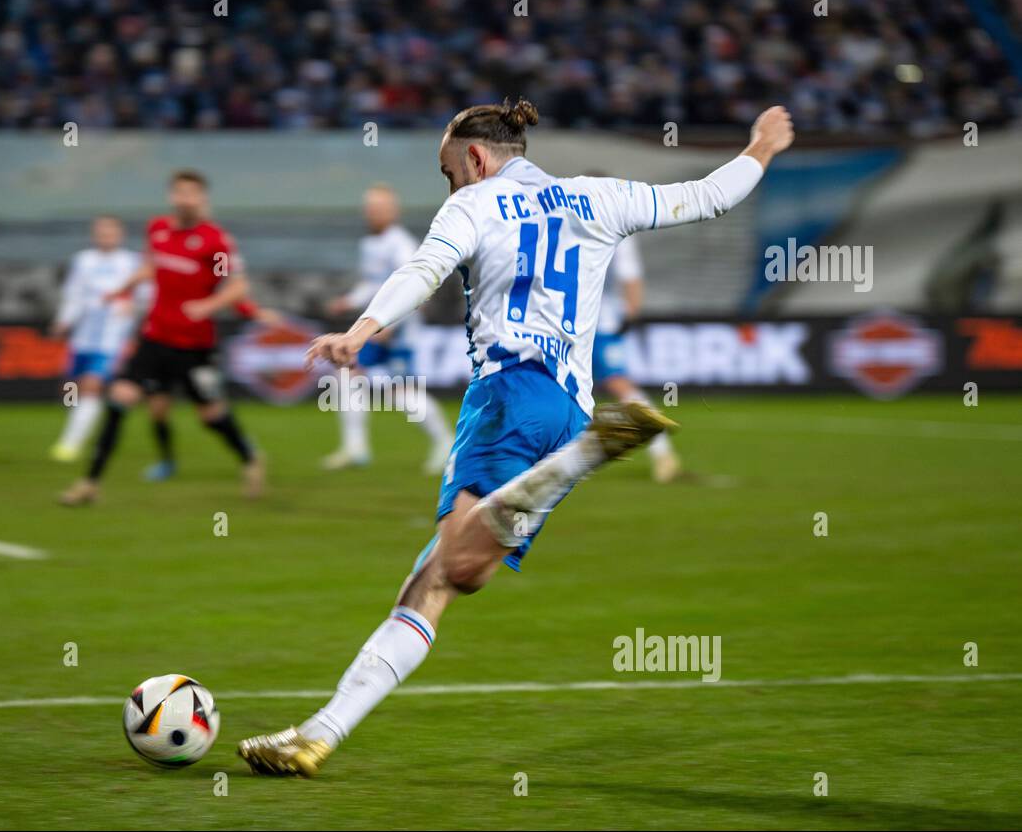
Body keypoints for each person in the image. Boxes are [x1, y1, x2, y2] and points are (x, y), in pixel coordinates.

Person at [238, 99, 794, 775]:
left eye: (449, 172)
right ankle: (318, 734)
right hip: (565, 408)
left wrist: (360, 331)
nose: (450, 185)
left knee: (456, 570)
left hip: (506, 396)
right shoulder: (597, 197)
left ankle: (585, 457)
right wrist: (762, 145)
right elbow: (708, 196)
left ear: (474, 158)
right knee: (435, 582)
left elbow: (423, 271)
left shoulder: (472, 206)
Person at [58, 170, 270, 504]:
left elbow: (238, 286)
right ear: (172, 196)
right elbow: (151, 267)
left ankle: (250, 457)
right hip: (155, 337)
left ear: (202, 198)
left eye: (192, 193)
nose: (185, 198)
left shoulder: (214, 240)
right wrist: (124, 290)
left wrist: (208, 305)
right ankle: (90, 483)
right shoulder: (158, 230)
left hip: (194, 345)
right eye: (180, 192)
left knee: (210, 415)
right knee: (119, 400)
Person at [322, 184, 453, 474]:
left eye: (380, 207)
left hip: (397, 331)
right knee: (347, 373)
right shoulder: (370, 244)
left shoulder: (401, 244)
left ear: (393, 211)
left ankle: (446, 443)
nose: (373, 213)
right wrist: (349, 301)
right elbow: (373, 283)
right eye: (370, 207)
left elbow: (415, 287)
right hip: (376, 328)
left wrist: (393, 325)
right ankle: (355, 447)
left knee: (400, 392)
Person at [49, 216, 146, 462]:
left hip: (111, 338)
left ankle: (70, 444)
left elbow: (146, 294)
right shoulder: (83, 260)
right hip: (82, 337)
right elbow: (73, 295)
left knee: (92, 385)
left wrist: (133, 308)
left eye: (110, 231)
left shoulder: (132, 261)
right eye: (101, 231)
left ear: (120, 234)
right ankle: (85, 423)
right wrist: (64, 321)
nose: (106, 236)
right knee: (71, 390)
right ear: (94, 234)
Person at [592, 234, 681, 482]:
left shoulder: (613, 229)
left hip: (601, 322)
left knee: (617, 382)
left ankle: (662, 452)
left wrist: (629, 314)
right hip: (583, 320)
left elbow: (630, 277)